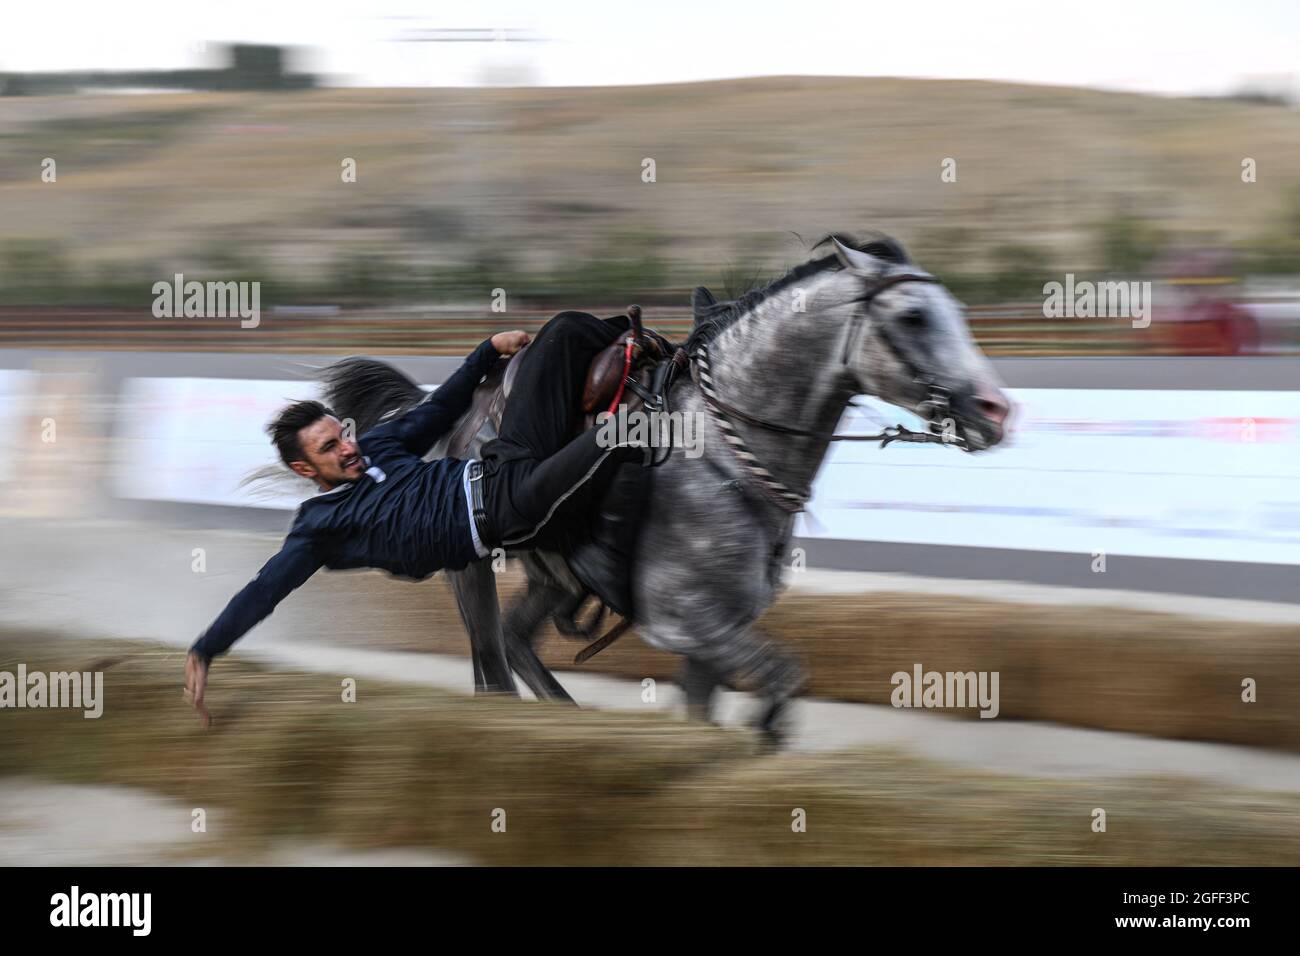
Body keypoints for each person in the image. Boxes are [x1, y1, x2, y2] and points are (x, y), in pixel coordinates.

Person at [183, 311, 639, 726]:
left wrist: (488, 349)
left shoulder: (377, 446)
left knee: (562, 331)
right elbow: (265, 589)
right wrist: (207, 648)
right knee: (612, 439)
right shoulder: (318, 527)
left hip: (503, 462)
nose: (346, 447)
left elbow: (439, 409)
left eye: (341, 434)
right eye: (329, 448)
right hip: (504, 511)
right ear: (304, 469)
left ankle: (660, 350)